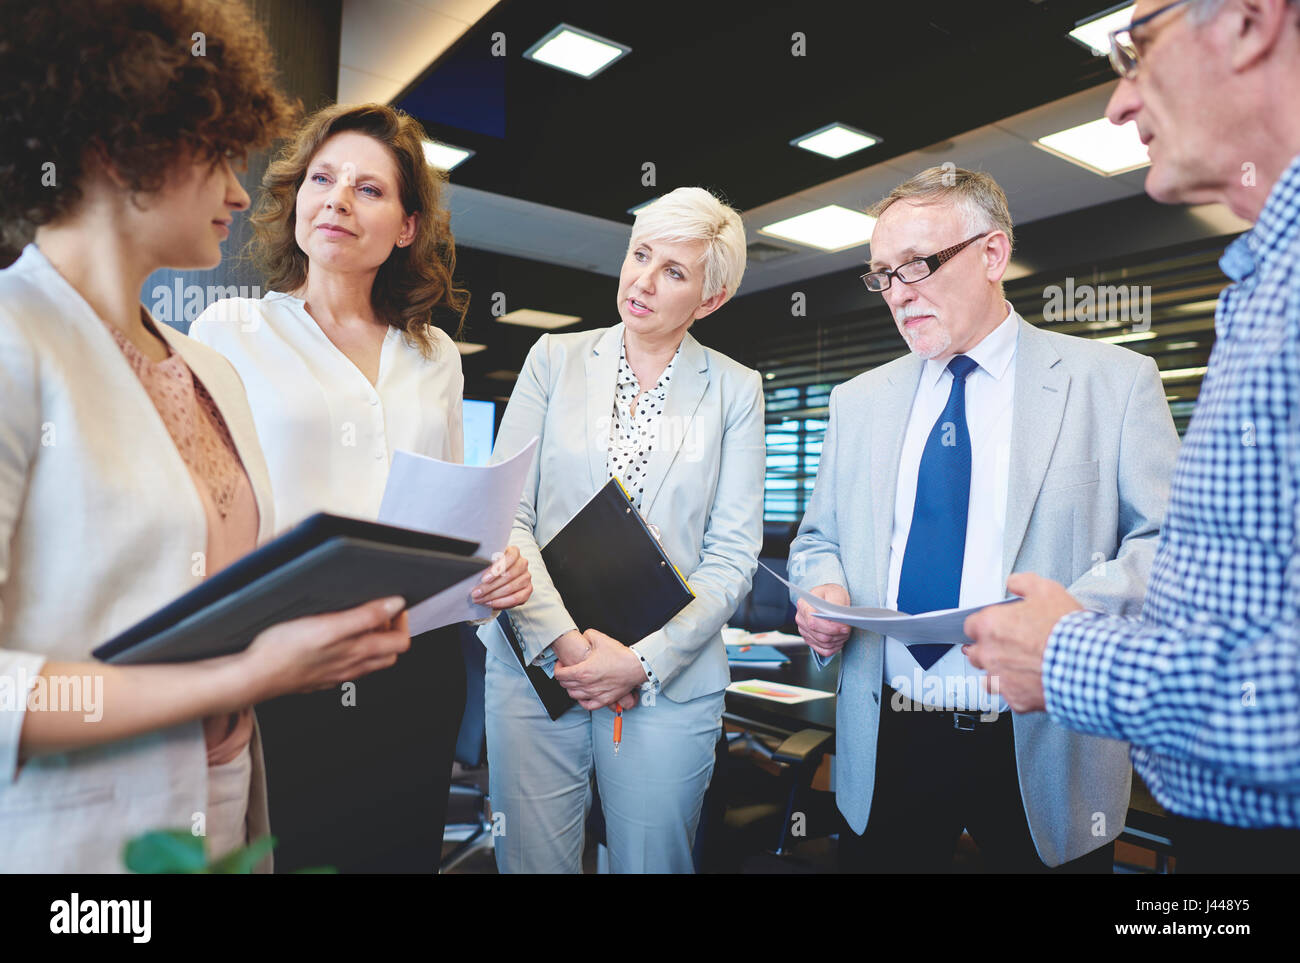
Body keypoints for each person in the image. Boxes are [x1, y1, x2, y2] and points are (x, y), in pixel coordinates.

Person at [0, 0, 413, 873]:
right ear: (120, 145)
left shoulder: (206, 368)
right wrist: (249, 676)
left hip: (225, 814)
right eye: (218, 154)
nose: (239, 188)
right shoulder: (13, 341)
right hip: (78, 852)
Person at [964, 0, 1300, 872]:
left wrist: (1066, 651)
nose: (1116, 105)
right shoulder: (1265, 282)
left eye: (1134, 49)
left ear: (1251, 20)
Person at [788, 166, 1182, 871]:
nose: (898, 292)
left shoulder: (1114, 383)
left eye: (918, 265)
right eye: (883, 274)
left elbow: (1172, 545)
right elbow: (819, 539)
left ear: (992, 255)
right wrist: (825, 593)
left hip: (1044, 735)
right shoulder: (858, 400)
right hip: (890, 734)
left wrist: (1063, 616)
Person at [190, 102, 531, 872]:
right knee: (300, 855)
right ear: (298, 198)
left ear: (408, 226)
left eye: (369, 189)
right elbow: (209, 512)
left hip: (418, 659)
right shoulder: (232, 331)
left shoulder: (434, 352)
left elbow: (450, 513)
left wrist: (491, 565)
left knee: (401, 855)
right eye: (323, 178)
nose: (338, 199)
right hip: (289, 658)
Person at [478, 187, 763, 873]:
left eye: (674, 271)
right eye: (641, 255)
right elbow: (506, 510)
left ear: (709, 299)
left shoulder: (735, 389)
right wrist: (569, 647)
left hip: (667, 679)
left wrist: (641, 661)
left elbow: (732, 556)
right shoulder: (554, 359)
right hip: (538, 664)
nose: (642, 280)